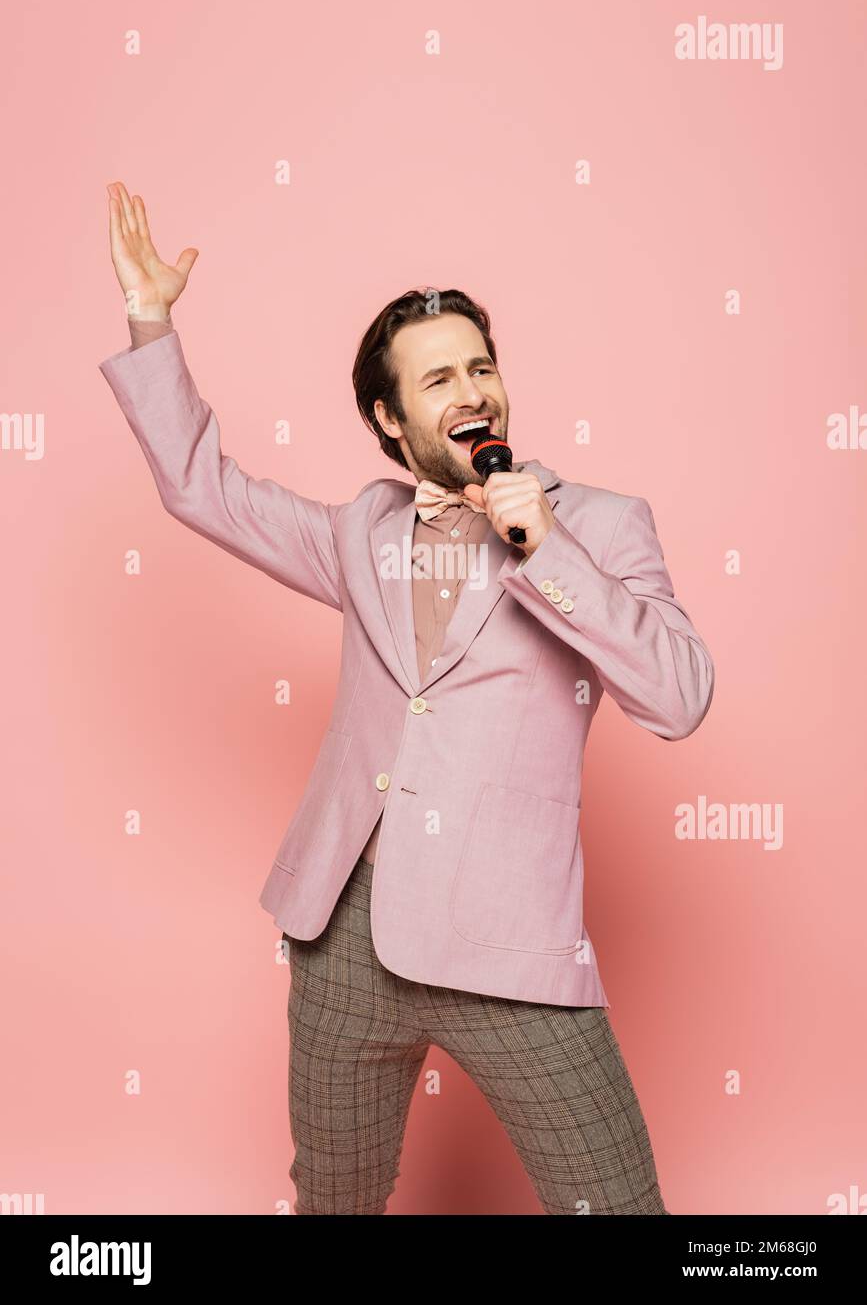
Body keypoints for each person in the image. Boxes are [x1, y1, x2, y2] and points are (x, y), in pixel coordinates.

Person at [100, 180, 714, 1215]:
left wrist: (545, 548)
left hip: (511, 944)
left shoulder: (599, 525)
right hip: (344, 936)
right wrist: (151, 321)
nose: (471, 388)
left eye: (481, 365)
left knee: (617, 1205)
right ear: (390, 416)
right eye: (437, 378)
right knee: (333, 1202)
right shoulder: (361, 534)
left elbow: (680, 694)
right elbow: (202, 487)